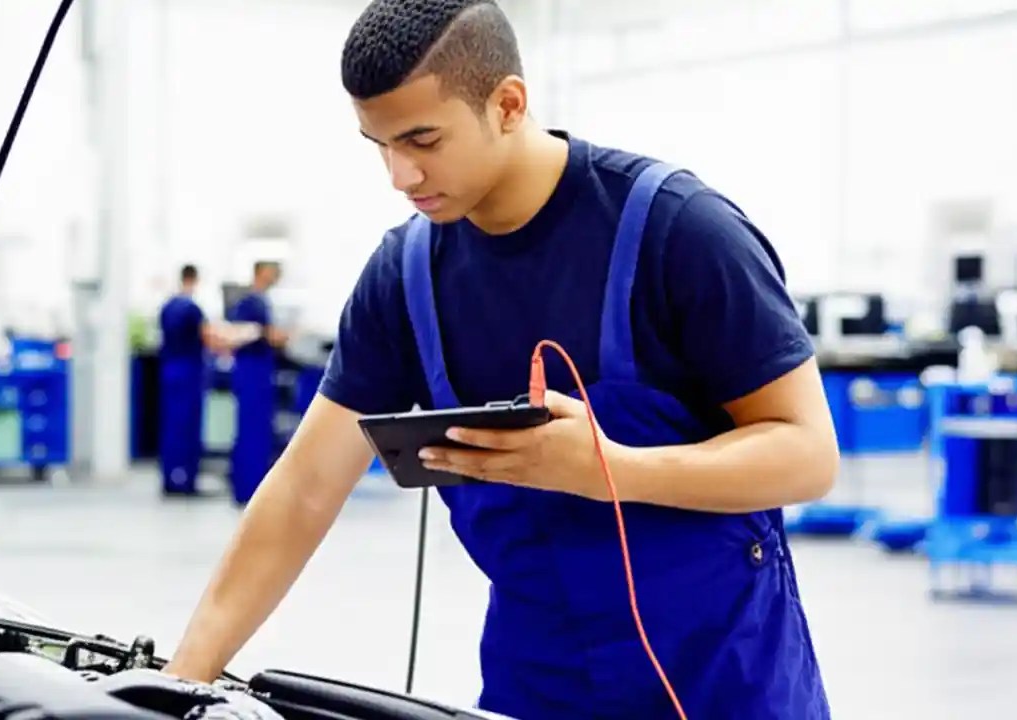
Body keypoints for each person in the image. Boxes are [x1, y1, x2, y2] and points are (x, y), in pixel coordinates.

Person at [165, 1, 840, 718]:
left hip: (720, 678)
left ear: (508, 104)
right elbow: (302, 490)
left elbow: (807, 454)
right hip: (539, 679)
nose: (399, 174)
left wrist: (613, 470)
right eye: (379, 144)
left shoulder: (680, 232)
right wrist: (179, 684)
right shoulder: (405, 278)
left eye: (423, 139)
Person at [157, 264, 224, 496]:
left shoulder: (167, 307)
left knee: (171, 426)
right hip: (189, 373)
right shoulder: (192, 309)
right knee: (187, 428)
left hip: (169, 371)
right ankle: (185, 482)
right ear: (195, 280)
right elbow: (209, 337)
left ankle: (169, 478)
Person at [225, 261, 288, 505]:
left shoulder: (249, 301)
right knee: (254, 431)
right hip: (255, 373)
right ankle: (250, 487)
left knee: (251, 429)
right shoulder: (255, 302)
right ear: (261, 272)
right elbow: (269, 335)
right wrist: (290, 335)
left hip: (251, 371)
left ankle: (246, 486)